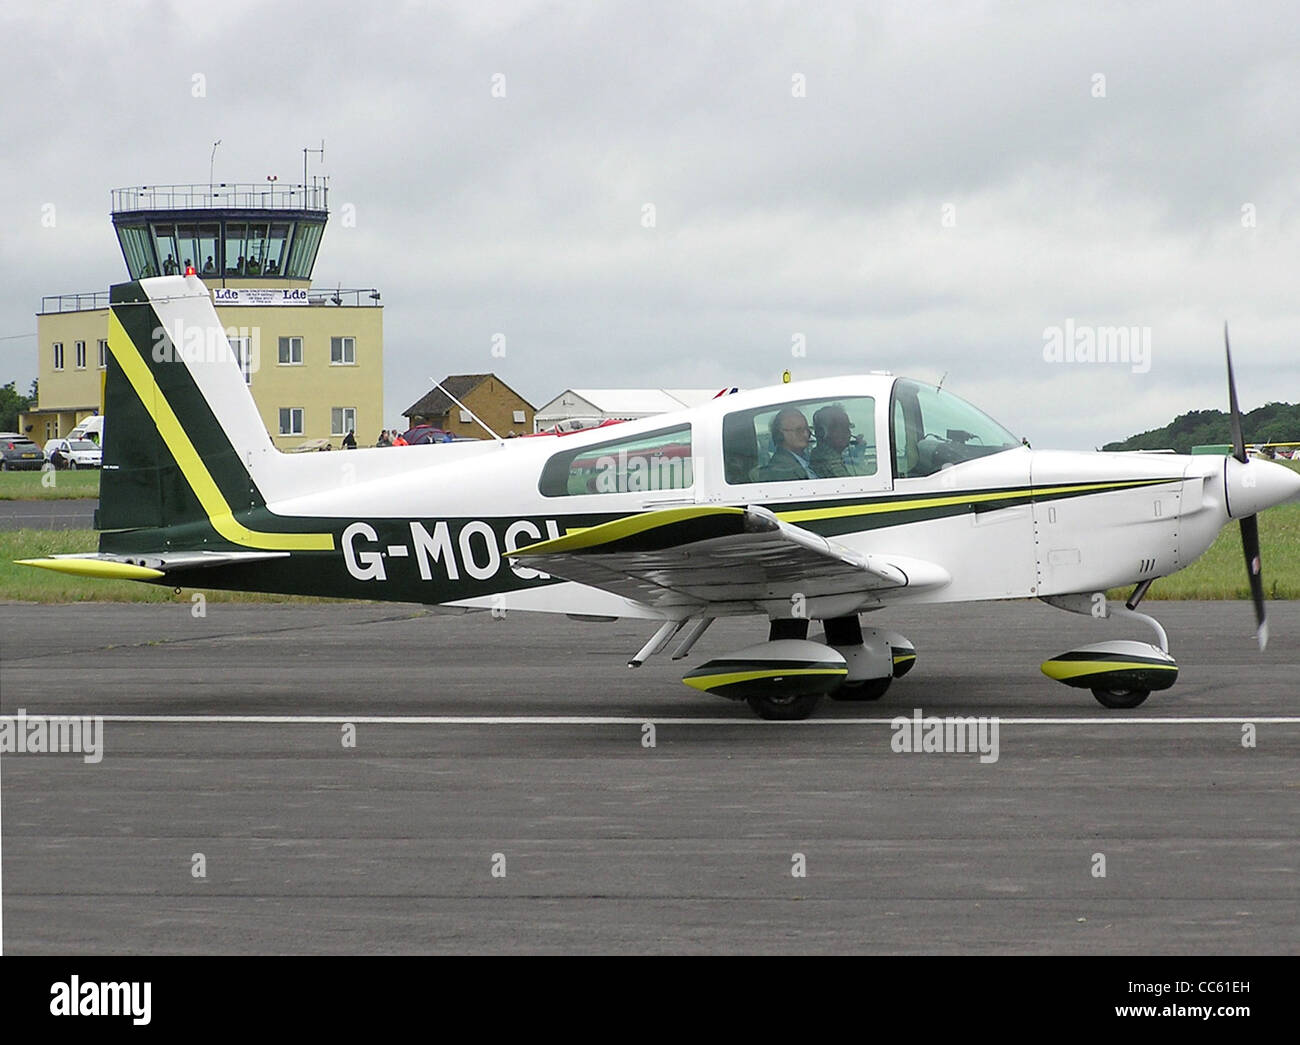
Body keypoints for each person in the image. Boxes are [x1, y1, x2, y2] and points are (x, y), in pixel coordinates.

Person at [753, 408, 818, 480]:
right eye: (799, 430)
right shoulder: (780, 470)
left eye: (807, 429)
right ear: (780, 434)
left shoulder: (808, 459)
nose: (806, 434)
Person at [810, 404, 868, 477]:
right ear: (822, 432)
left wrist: (859, 452)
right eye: (842, 428)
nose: (848, 433)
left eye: (847, 428)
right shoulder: (824, 460)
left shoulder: (830, 455)